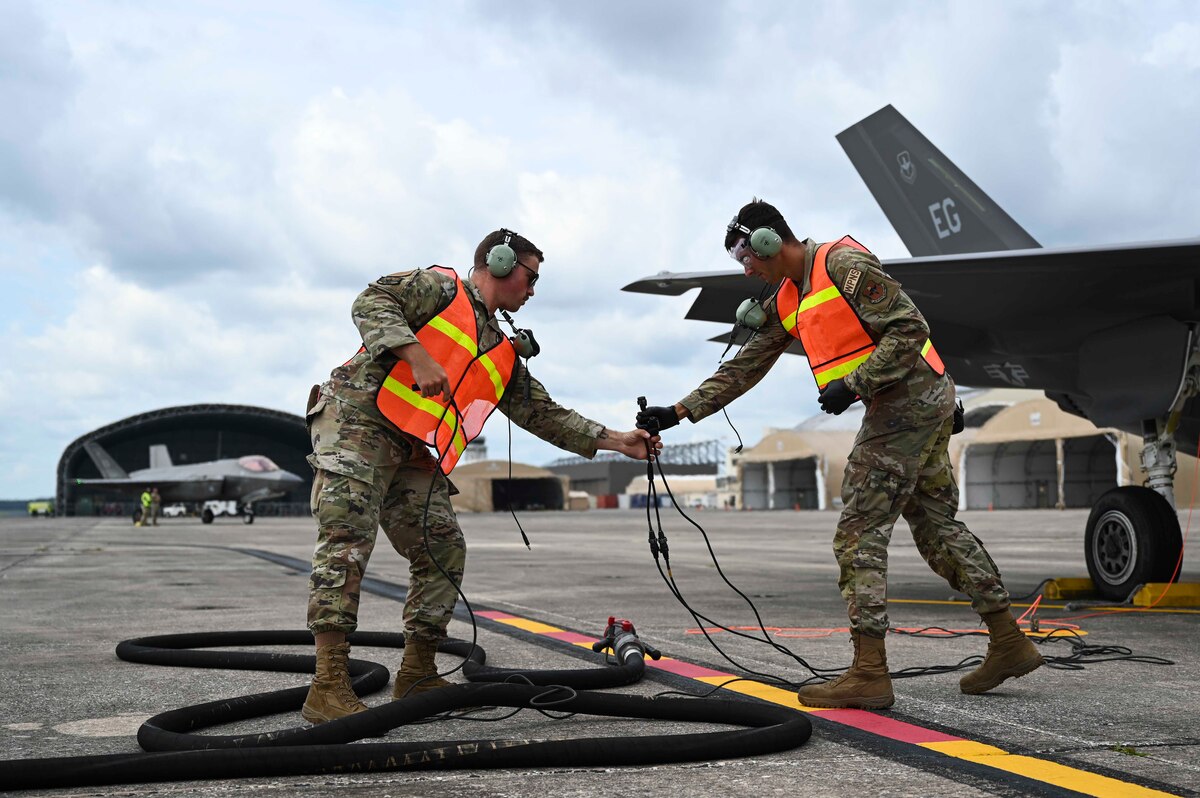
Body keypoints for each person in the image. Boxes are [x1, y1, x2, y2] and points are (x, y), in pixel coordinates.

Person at [638, 199, 1043, 710]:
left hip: (906, 403)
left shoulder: (841, 266)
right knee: (937, 528)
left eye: (747, 257)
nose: (747, 269)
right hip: (917, 402)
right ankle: (1009, 642)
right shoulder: (788, 298)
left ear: (768, 241)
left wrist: (854, 384)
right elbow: (744, 367)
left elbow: (910, 328)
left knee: (858, 532)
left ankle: (869, 673)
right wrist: (678, 412)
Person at [302, 228, 661, 724]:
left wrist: (618, 440)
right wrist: (415, 353)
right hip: (355, 421)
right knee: (347, 542)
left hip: (408, 445)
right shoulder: (440, 288)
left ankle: (418, 672)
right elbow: (372, 299)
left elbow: (544, 414)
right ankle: (329, 686)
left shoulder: (500, 346)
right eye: (530, 277)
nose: (532, 290)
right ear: (498, 261)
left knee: (443, 547)